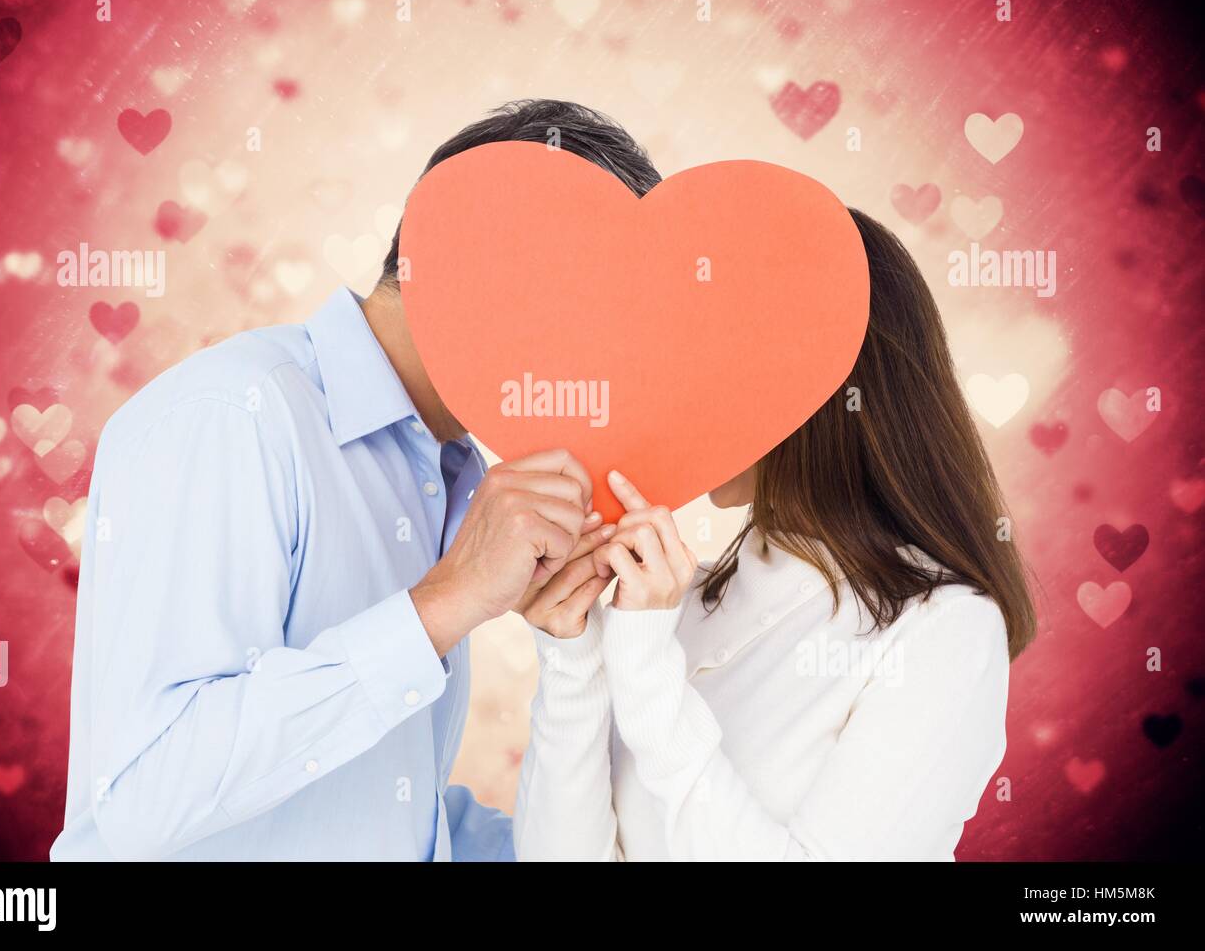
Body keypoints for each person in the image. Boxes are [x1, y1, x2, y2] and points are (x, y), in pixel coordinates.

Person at [51, 99, 660, 861]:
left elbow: (373, 810)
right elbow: (145, 798)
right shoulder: (231, 417)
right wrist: (443, 604)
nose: (605, 371)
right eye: (600, 315)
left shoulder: (445, 471)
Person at [514, 210, 1037, 861]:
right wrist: (574, 658)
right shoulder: (671, 604)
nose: (670, 394)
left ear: (805, 386)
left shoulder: (945, 629)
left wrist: (648, 671)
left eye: (699, 358)